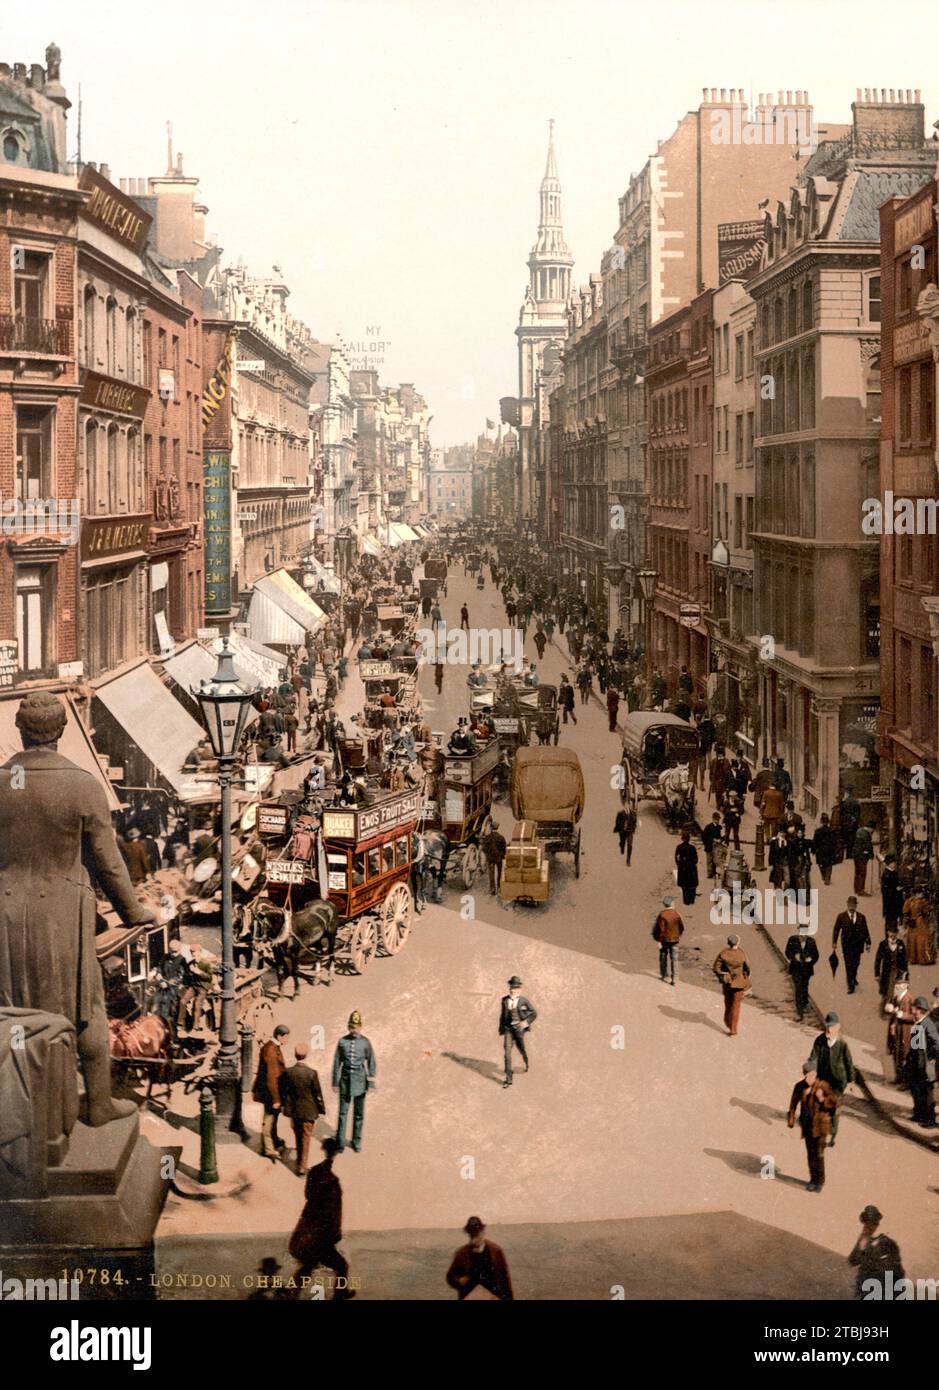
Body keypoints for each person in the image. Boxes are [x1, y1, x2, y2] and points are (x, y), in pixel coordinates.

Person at [0, 692, 156, 1130]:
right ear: (63, 730)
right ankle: (99, 1103)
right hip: (64, 914)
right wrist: (134, 912)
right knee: (86, 1007)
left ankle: (19, 1112)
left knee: (11, 1010)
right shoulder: (83, 784)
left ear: (19, 729)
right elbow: (109, 862)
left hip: (5, 912)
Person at [288, 1138, 354, 1299]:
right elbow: (332, 1212)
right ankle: (340, 1294)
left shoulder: (315, 1171)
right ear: (336, 1153)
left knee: (309, 1266)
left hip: (308, 1228)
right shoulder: (332, 1181)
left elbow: (309, 1195)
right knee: (340, 1266)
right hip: (322, 1234)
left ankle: (292, 1294)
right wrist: (334, 1234)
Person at [787, 1061, 838, 1191]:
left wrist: (822, 1099)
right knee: (810, 1153)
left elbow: (834, 1104)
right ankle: (812, 1180)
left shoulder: (823, 1086)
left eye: (812, 1075)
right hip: (807, 1125)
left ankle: (820, 1182)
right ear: (805, 1075)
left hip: (821, 1125)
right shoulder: (799, 1087)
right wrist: (791, 1119)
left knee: (819, 1153)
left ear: (815, 1074)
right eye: (808, 1075)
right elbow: (793, 1104)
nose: (810, 1078)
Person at [332, 1010, 376, 1153]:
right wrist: (335, 1082)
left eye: (356, 1027)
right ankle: (340, 1142)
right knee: (342, 1114)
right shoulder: (342, 1042)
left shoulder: (365, 1043)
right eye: (351, 1027)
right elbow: (337, 1062)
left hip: (360, 1081)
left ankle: (356, 1142)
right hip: (345, 1081)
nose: (354, 1030)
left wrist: (370, 1083)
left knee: (359, 1114)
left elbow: (371, 1062)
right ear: (348, 1027)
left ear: (361, 1027)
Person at [281, 1042, 326, 1176]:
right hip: (308, 1111)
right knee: (306, 1138)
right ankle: (302, 1166)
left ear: (295, 1055)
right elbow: (317, 1094)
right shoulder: (312, 1073)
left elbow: (285, 1091)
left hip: (294, 1111)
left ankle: (300, 1160)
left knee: (297, 1135)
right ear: (306, 1055)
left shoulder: (288, 1072)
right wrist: (322, 1110)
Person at [808, 1012, 854, 1144]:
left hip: (838, 1081)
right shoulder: (819, 1041)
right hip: (823, 1079)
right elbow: (813, 1058)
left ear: (838, 1027)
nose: (829, 1030)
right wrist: (810, 1071)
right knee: (820, 1104)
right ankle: (821, 1130)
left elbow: (849, 1063)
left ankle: (832, 1134)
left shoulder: (842, 1044)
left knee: (834, 1107)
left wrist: (851, 1082)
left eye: (832, 1027)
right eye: (827, 1026)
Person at [446, 1217, 514, 1300]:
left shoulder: (496, 1252)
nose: (475, 1238)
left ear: (483, 1232)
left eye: (477, 1234)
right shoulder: (462, 1254)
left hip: (493, 1297)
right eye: (472, 1235)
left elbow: (505, 1280)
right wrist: (459, 1280)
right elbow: (450, 1277)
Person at [848, 1206, 904, 1300]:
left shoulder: (887, 1243)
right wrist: (861, 1244)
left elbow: (895, 1272)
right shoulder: (865, 1239)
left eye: (869, 1224)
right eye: (865, 1224)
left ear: (876, 1224)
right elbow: (853, 1261)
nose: (866, 1227)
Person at [253, 1024, 290, 1159]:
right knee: (268, 1120)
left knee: (273, 1117)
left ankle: (274, 1139)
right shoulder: (272, 1051)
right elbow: (272, 1078)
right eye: (286, 1037)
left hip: (269, 1091)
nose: (287, 1040)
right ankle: (268, 1149)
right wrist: (276, 1099)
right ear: (279, 1036)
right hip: (270, 1093)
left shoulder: (271, 1046)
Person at [499, 975, 536, 1088]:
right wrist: (501, 1028)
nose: (512, 989)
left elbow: (534, 1013)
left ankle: (526, 1062)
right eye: (511, 987)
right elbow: (502, 1015)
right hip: (508, 1030)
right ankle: (508, 1079)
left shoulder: (524, 1000)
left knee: (521, 1048)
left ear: (519, 989)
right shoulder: (504, 1000)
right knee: (507, 1053)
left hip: (519, 1030)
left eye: (515, 987)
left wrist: (525, 1023)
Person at [712, 934, 751, 1035]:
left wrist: (723, 975)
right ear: (738, 943)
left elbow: (716, 968)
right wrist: (745, 977)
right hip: (739, 983)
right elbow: (748, 967)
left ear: (728, 943)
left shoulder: (723, 953)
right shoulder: (742, 953)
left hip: (728, 983)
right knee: (736, 1005)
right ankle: (733, 1029)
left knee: (728, 1004)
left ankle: (728, 1022)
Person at [832, 896, 871, 994]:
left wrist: (868, 943)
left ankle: (853, 977)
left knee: (856, 963)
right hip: (847, 945)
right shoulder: (841, 916)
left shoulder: (862, 917)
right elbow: (836, 929)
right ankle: (851, 985)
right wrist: (834, 941)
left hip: (858, 944)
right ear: (847, 905)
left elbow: (865, 930)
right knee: (848, 964)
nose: (852, 906)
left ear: (856, 906)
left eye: (854, 905)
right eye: (850, 904)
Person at [783, 922, 819, 1021]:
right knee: (798, 988)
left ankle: (804, 1003)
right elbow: (787, 952)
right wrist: (794, 957)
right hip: (796, 969)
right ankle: (800, 1012)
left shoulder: (811, 941)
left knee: (804, 987)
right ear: (798, 930)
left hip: (807, 970)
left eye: (805, 931)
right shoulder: (793, 939)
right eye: (801, 930)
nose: (803, 933)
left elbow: (816, 955)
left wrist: (811, 959)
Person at [874, 927, 908, 1017]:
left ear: (897, 933)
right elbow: (878, 960)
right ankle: (884, 1012)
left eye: (894, 932)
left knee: (897, 991)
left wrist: (905, 972)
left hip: (898, 971)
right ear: (888, 933)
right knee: (887, 992)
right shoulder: (883, 944)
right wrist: (877, 974)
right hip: (887, 972)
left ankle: (895, 1011)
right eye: (890, 932)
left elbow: (904, 959)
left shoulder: (900, 943)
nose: (892, 935)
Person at [653, 896, 684, 985]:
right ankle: (675, 978)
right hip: (674, 940)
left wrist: (659, 940)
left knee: (663, 957)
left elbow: (660, 929)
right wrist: (678, 935)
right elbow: (681, 927)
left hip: (664, 940)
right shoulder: (676, 914)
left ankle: (665, 975)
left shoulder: (662, 915)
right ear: (672, 904)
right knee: (674, 959)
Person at [902, 887, 936, 966]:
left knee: (917, 939)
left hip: (916, 922)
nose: (921, 894)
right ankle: (920, 958)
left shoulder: (913, 901)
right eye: (919, 893)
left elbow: (906, 912)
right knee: (920, 939)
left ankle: (917, 958)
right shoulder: (916, 901)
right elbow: (906, 912)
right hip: (917, 922)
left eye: (921, 893)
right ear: (916, 893)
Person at [480, 821, 507, 894]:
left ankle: (492, 889)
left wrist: (488, 855)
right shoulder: (501, 837)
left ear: (491, 828)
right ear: (498, 828)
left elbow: (484, 848)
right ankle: (499, 886)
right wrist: (502, 855)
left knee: (491, 874)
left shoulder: (487, 837)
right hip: (498, 858)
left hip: (490, 859)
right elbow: (504, 848)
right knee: (499, 873)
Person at [811, 813, 837, 886]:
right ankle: (827, 878)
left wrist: (813, 850)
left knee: (821, 864)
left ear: (821, 822)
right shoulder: (831, 831)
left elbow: (815, 841)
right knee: (829, 865)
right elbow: (834, 841)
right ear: (828, 822)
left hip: (820, 851)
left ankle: (823, 875)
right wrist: (835, 850)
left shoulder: (818, 831)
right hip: (829, 850)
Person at [674, 829, 698, 906]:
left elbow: (677, 858)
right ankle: (691, 900)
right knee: (691, 886)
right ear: (689, 839)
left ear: (682, 838)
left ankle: (686, 901)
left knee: (684, 887)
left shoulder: (679, 847)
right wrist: (691, 865)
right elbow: (696, 859)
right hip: (691, 870)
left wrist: (680, 865)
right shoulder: (692, 848)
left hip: (683, 870)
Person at [851, 820, 875, 897]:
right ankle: (861, 890)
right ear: (870, 828)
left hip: (856, 855)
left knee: (857, 872)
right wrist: (871, 854)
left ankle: (856, 888)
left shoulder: (859, 831)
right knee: (862, 873)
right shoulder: (865, 834)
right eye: (873, 830)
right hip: (862, 856)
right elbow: (868, 845)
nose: (873, 831)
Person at [839, 786, 861, 859]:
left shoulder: (844, 802)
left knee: (846, 839)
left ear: (847, 793)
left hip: (845, 823)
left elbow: (841, 812)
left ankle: (846, 855)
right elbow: (858, 813)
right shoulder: (856, 801)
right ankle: (850, 854)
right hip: (853, 823)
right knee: (852, 839)